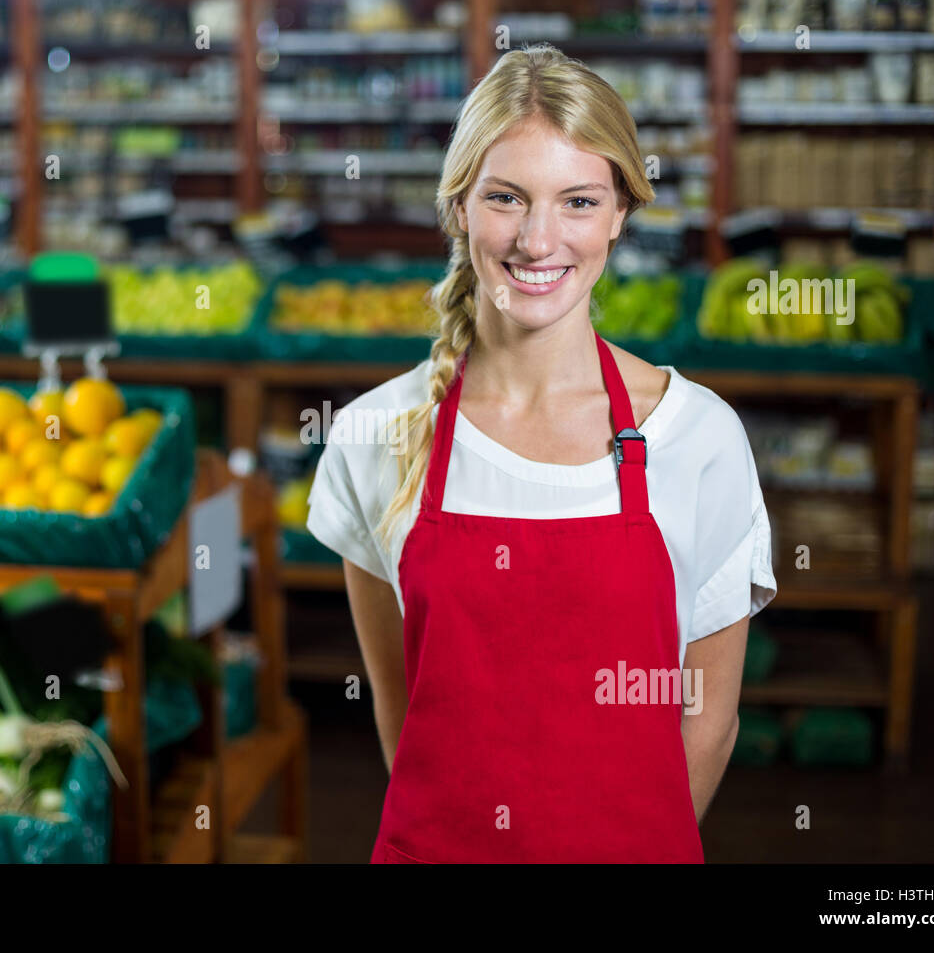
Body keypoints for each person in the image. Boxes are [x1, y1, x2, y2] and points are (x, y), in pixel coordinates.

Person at [305, 45, 777, 863]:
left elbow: (708, 719)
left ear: (621, 213)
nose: (537, 239)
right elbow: (401, 711)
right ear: (458, 207)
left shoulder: (697, 437)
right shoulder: (376, 435)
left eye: (579, 201)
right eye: (506, 198)